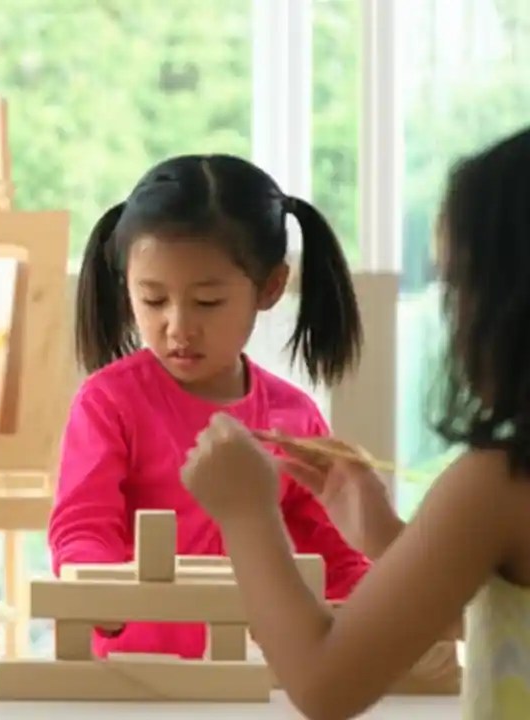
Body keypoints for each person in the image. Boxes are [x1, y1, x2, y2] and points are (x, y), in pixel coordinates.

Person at [181, 128, 530, 719]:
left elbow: (325, 685)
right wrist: (383, 537)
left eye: (456, 283)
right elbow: (483, 610)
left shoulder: (498, 485)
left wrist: (246, 514)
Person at [48, 154, 371, 660]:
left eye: (207, 302)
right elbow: (84, 525)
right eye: (153, 301)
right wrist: (101, 598)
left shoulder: (294, 418)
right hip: (133, 675)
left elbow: (335, 549)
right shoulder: (109, 403)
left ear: (269, 288)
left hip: (260, 675)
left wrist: (367, 609)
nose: (178, 327)